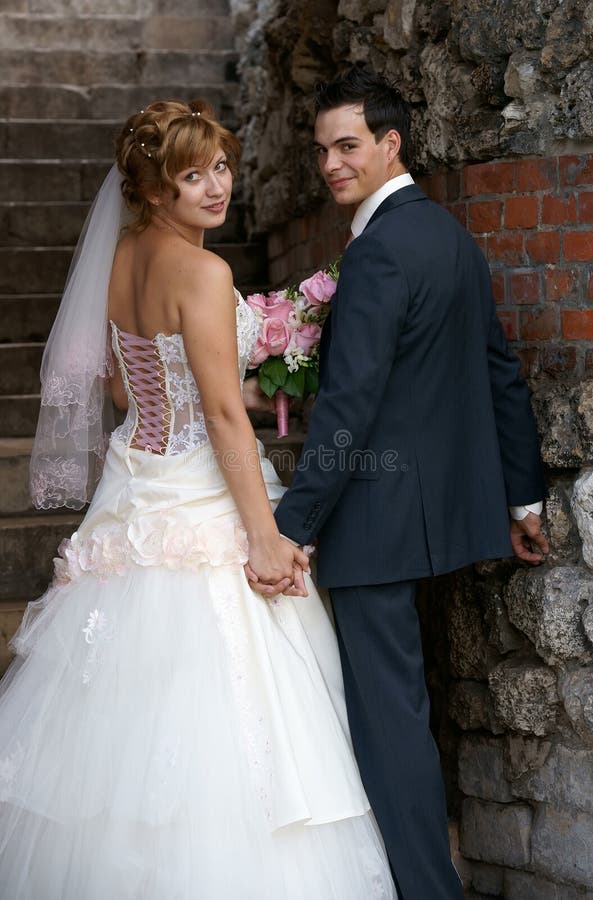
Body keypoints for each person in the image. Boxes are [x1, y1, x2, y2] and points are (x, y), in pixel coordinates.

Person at [0, 99, 397, 899]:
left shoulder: (117, 264)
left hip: (137, 484)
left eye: (220, 166)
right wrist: (262, 535)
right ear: (153, 190)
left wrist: (256, 384)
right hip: (201, 495)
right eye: (193, 176)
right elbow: (218, 414)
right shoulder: (207, 272)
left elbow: (122, 384)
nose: (216, 187)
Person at [260, 66, 549, 900]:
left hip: (376, 524)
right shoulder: (451, 237)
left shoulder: (380, 251)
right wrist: (520, 498)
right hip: (437, 515)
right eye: (320, 150)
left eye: (346, 146)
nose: (328, 165)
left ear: (391, 143)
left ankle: (428, 890)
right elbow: (499, 374)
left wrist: (294, 524)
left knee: (390, 727)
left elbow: (350, 407)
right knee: (406, 717)